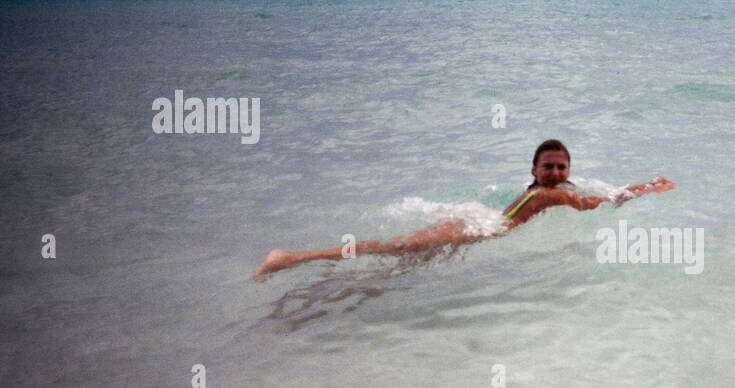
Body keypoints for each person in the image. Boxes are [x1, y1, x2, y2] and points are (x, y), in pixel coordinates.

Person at [253, 139, 673, 278]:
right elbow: (598, 203)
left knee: (401, 265)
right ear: (534, 170)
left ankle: (317, 273)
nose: (556, 171)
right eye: (549, 166)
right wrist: (648, 189)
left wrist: (645, 186)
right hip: (473, 229)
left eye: (562, 166)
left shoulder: (548, 190)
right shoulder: (552, 194)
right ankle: (291, 258)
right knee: (390, 249)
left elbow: (606, 195)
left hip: (476, 222)